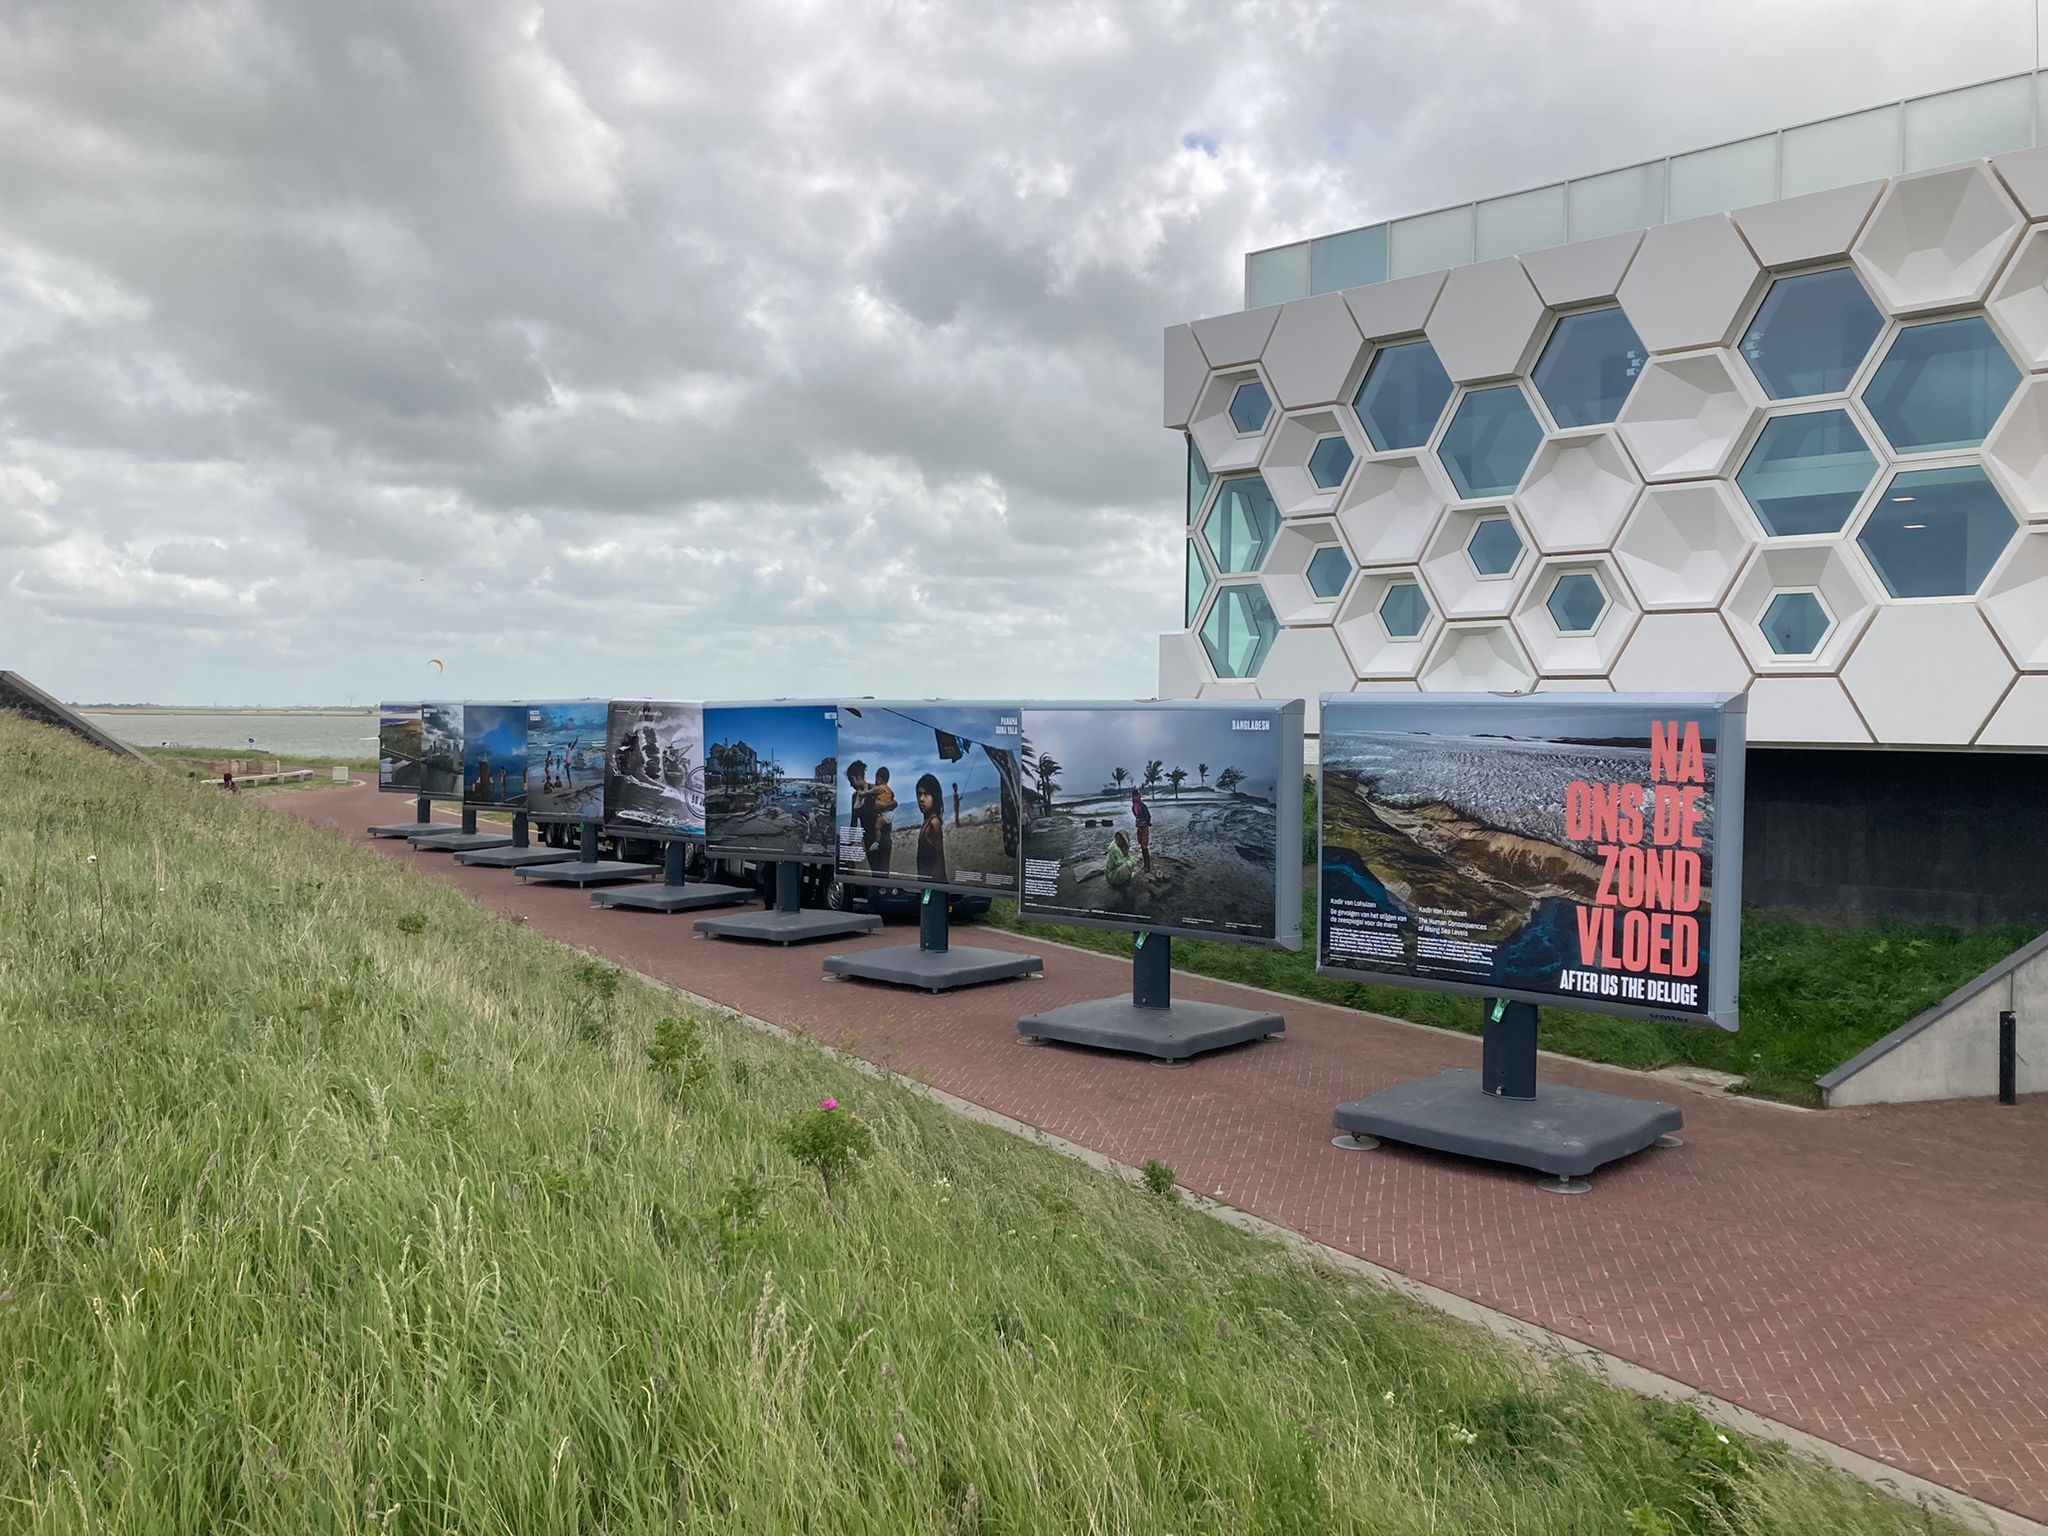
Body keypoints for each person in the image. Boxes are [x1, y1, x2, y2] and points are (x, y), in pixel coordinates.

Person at [915, 773, 949, 883]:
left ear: (935, 796)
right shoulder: (926, 821)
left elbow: (940, 860)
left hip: (934, 883)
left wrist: (932, 888)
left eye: (926, 794)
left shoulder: (934, 823)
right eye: (919, 794)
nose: (921, 799)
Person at [869, 766, 897, 876]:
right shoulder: (886, 791)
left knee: (879, 873)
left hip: (882, 840)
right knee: (883, 873)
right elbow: (894, 802)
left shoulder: (878, 791)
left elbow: (894, 803)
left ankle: (876, 842)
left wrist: (883, 805)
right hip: (886, 839)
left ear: (879, 778)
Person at [1130, 788, 1153, 872]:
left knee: (1145, 846)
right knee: (1141, 846)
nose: (1135, 798)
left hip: (1144, 828)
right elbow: (1136, 816)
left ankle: (1148, 866)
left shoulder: (1143, 806)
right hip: (1139, 828)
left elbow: (1148, 816)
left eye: (1136, 796)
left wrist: (1148, 823)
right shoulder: (1134, 807)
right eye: (1134, 796)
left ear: (1139, 796)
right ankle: (1145, 864)